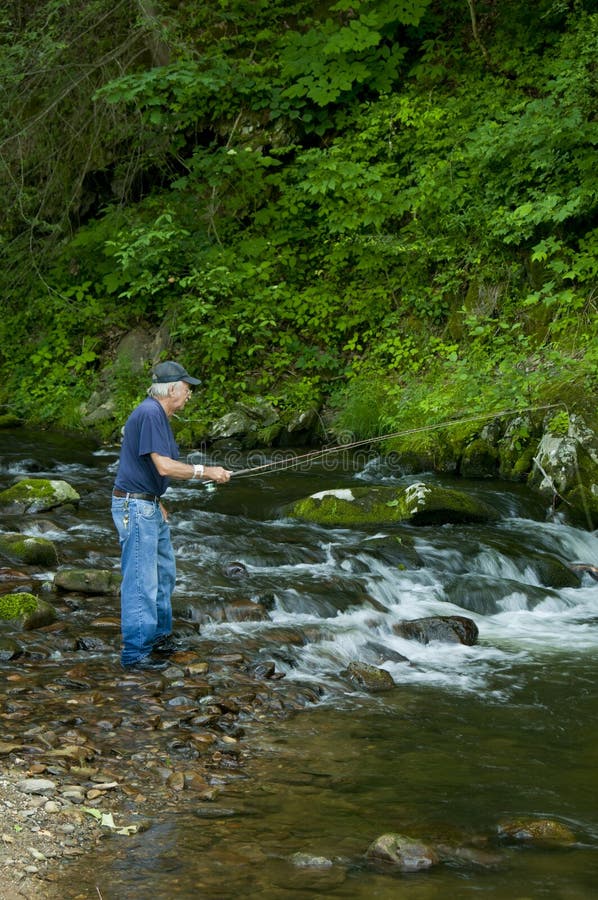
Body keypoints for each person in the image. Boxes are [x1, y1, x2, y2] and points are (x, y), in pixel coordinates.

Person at [111, 360, 231, 671]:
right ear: (172, 389)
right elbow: (164, 466)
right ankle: (136, 654)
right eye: (187, 388)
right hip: (134, 508)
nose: (189, 394)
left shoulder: (159, 416)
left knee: (164, 575)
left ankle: (160, 638)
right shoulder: (150, 412)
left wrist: (156, 500)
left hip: (147, 504)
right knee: (142, 582)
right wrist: (207, 472)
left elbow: (144, 468)